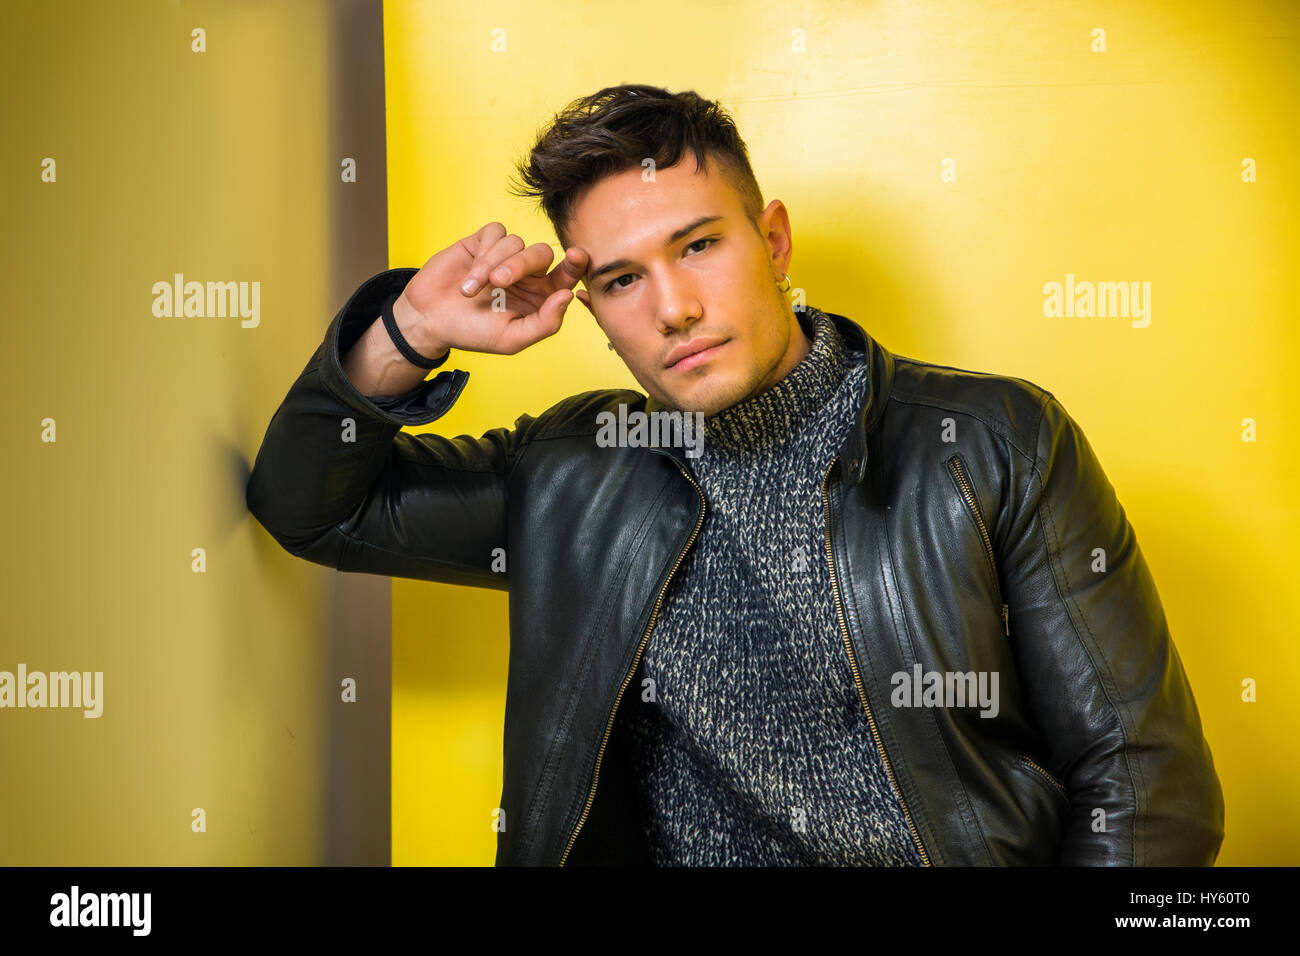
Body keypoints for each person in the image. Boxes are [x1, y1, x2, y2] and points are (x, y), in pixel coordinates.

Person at [245, 83, 1225, 866]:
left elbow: (1144, 780)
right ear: (591, 307)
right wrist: (411, 329)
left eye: (700, 245)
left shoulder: (990, 441)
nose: (672, 308)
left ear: (774, 240)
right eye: (622, 279)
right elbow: (311, 506)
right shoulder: (574, 472)